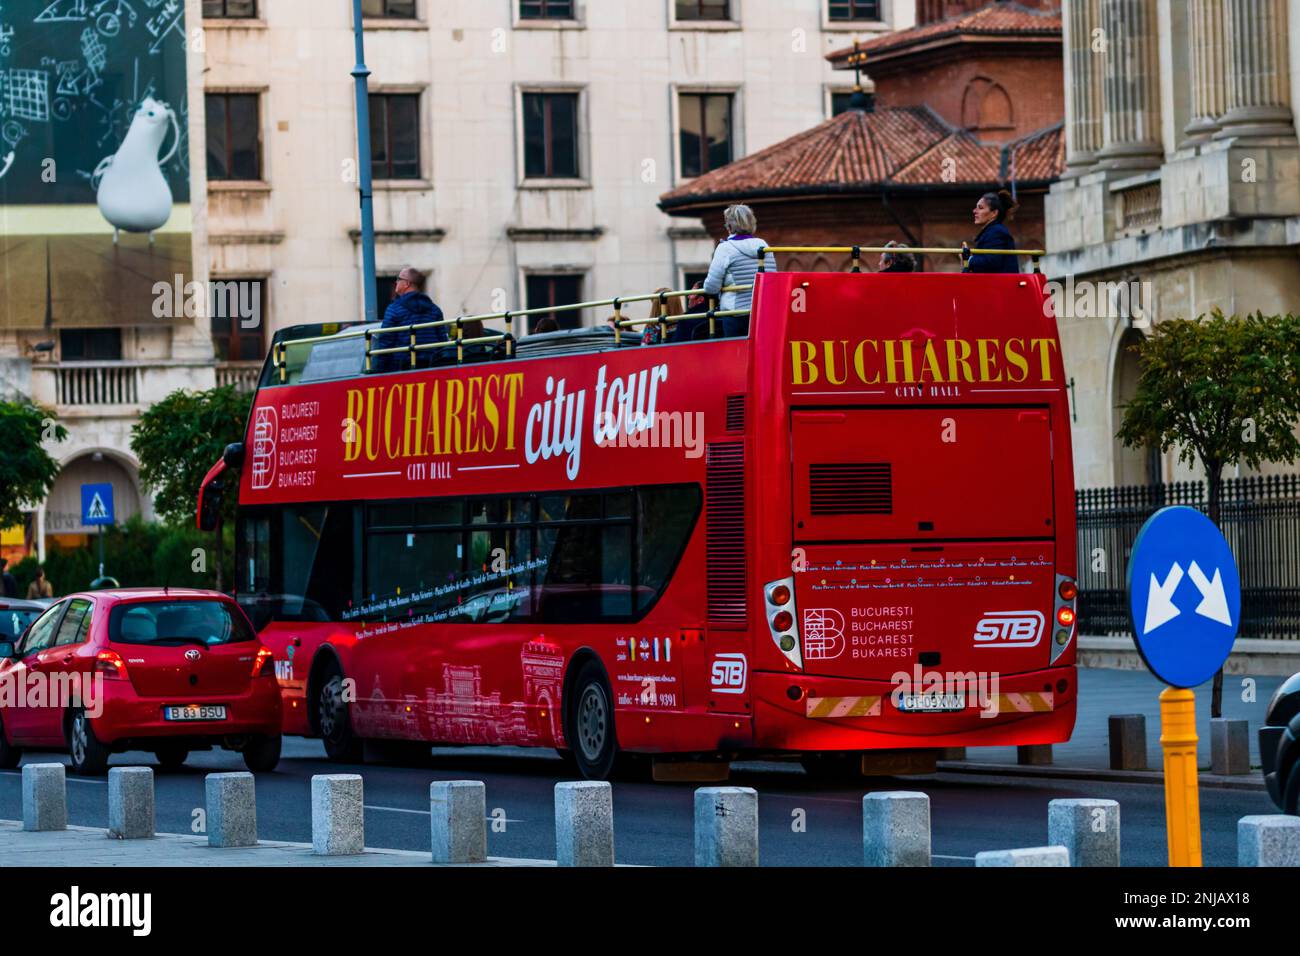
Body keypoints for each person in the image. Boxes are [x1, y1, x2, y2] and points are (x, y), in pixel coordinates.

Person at [702, 204, 777, 337]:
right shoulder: (763, 245)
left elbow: (711, 287)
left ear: (729, 227)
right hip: (762, 312)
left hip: (736, 314)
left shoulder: (725, 248)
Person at [374, 267, 447, 372]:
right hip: (432, 368)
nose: (396, 281)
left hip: (401, 371)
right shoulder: (435, 310)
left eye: (398, 279)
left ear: (407, 283)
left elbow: (386, 343)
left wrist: (380, 371)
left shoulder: (394, 309)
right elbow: (442, 342)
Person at [963, 190, 1021, 274]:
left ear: (994, 213)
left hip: (1001, 285)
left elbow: (990, 262)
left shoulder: (996, 232)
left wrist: (968, 259)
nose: (974, 211)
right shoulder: (992, 231)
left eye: (980, 208)